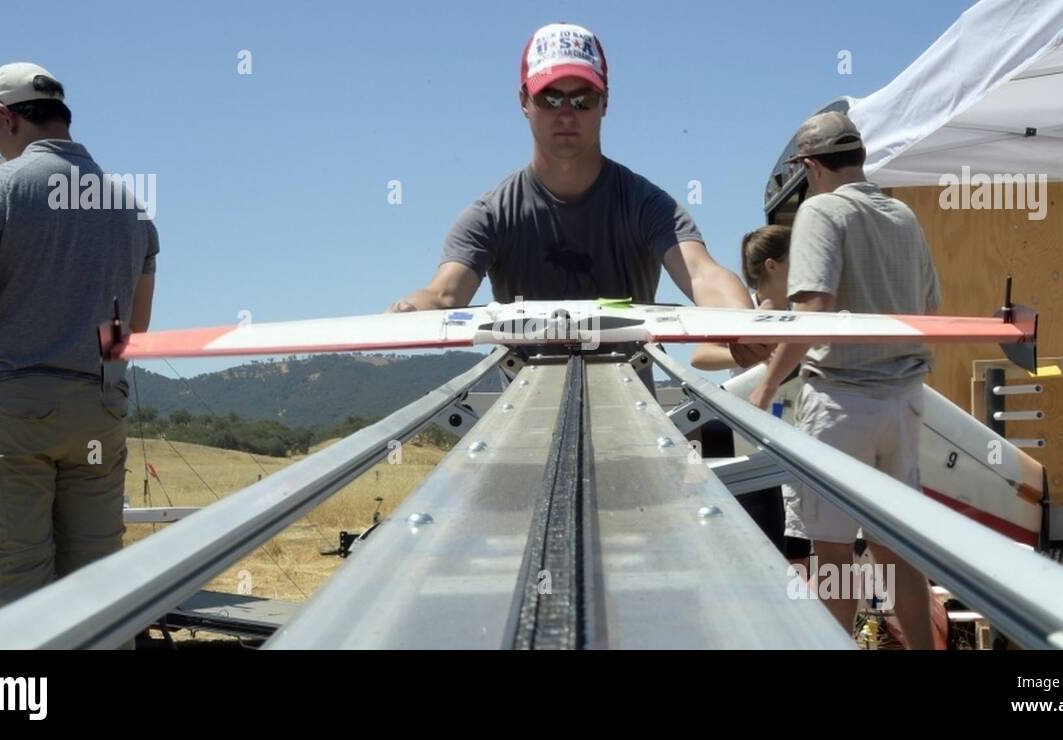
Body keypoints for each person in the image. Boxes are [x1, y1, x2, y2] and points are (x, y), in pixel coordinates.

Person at [387, 22, 765, 372]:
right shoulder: (490, 215)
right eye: (550, 98)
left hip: (632, 401)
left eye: (582, 98)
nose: (566, 113)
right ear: (524, 101)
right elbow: (444, 293)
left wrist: (741, 321)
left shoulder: (649, 205)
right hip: (520, 407)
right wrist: (410, 311)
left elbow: (701, 271)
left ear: (605, 102)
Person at [0, 62, 158, 608]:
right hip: (98, 406)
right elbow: (135, 327)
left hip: (13, 405)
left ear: (4, 117)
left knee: (17, 581)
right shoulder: (131, 206)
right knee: (98, 577)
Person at [747, 111, 941, 649]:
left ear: (810, 166)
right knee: (896, 548)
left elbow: (814, 310)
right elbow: (927, 306)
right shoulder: (902, 215)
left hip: (841, 399)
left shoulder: (822, 210)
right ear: (857, 158)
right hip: (904, 399)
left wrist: (763, 392)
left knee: (830, 551)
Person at [691, 224, 791, 371]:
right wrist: (756, 357)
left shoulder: (803, 311)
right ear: (771, 266)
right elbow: (700, 357)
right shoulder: (740, 311)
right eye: (799, 258)